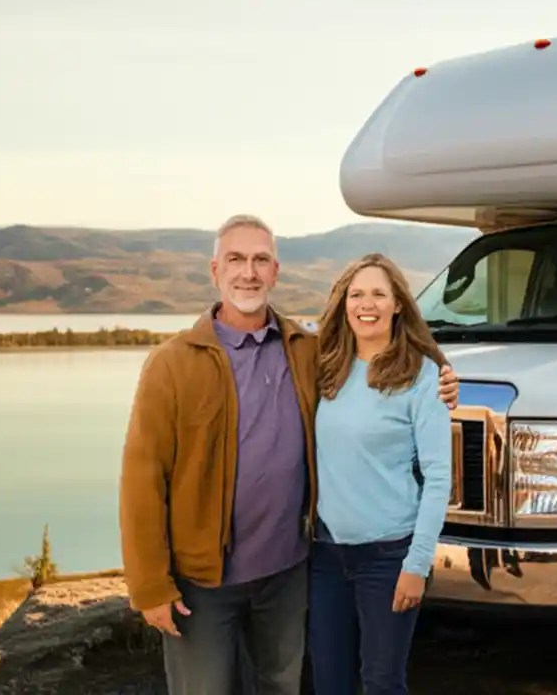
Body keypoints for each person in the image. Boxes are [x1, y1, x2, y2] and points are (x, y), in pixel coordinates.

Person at [118, 215, 459, 694]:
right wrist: (149, 584)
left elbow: (388, 362)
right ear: (215, 269)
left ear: (276, 271)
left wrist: (441, 376)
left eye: (260, 260)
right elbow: (141, 478)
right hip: (205, 580)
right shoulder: (174, 363)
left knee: (287, 685)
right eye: (236, 260)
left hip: (289, 572)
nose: (248, 273)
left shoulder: (306, 350)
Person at [307, 252, 453, 695]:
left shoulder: (423, 378)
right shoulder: (325, 367)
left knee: (382, 682)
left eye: (377, 294)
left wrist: (417, 563)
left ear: (397, 306)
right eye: (356, 294)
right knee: (329, 683)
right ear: (343, 304)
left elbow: (438, 478)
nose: (365, 304)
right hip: (326, 556)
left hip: (389, 558)